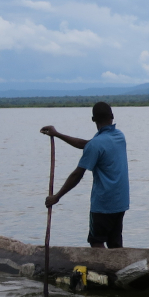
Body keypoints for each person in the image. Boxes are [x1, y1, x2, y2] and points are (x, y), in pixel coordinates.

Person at [40, 102, 130, 248]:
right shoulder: (119, 136)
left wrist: (56, 197)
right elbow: (87, 144)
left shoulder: (96, 144)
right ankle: (117, 269)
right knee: (115, 242)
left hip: (103, 203)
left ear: (93, 119)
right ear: (112, 117)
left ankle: (103, 270)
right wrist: (57, 134)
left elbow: (77, 175)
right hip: (120, 201)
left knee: (96, 241)